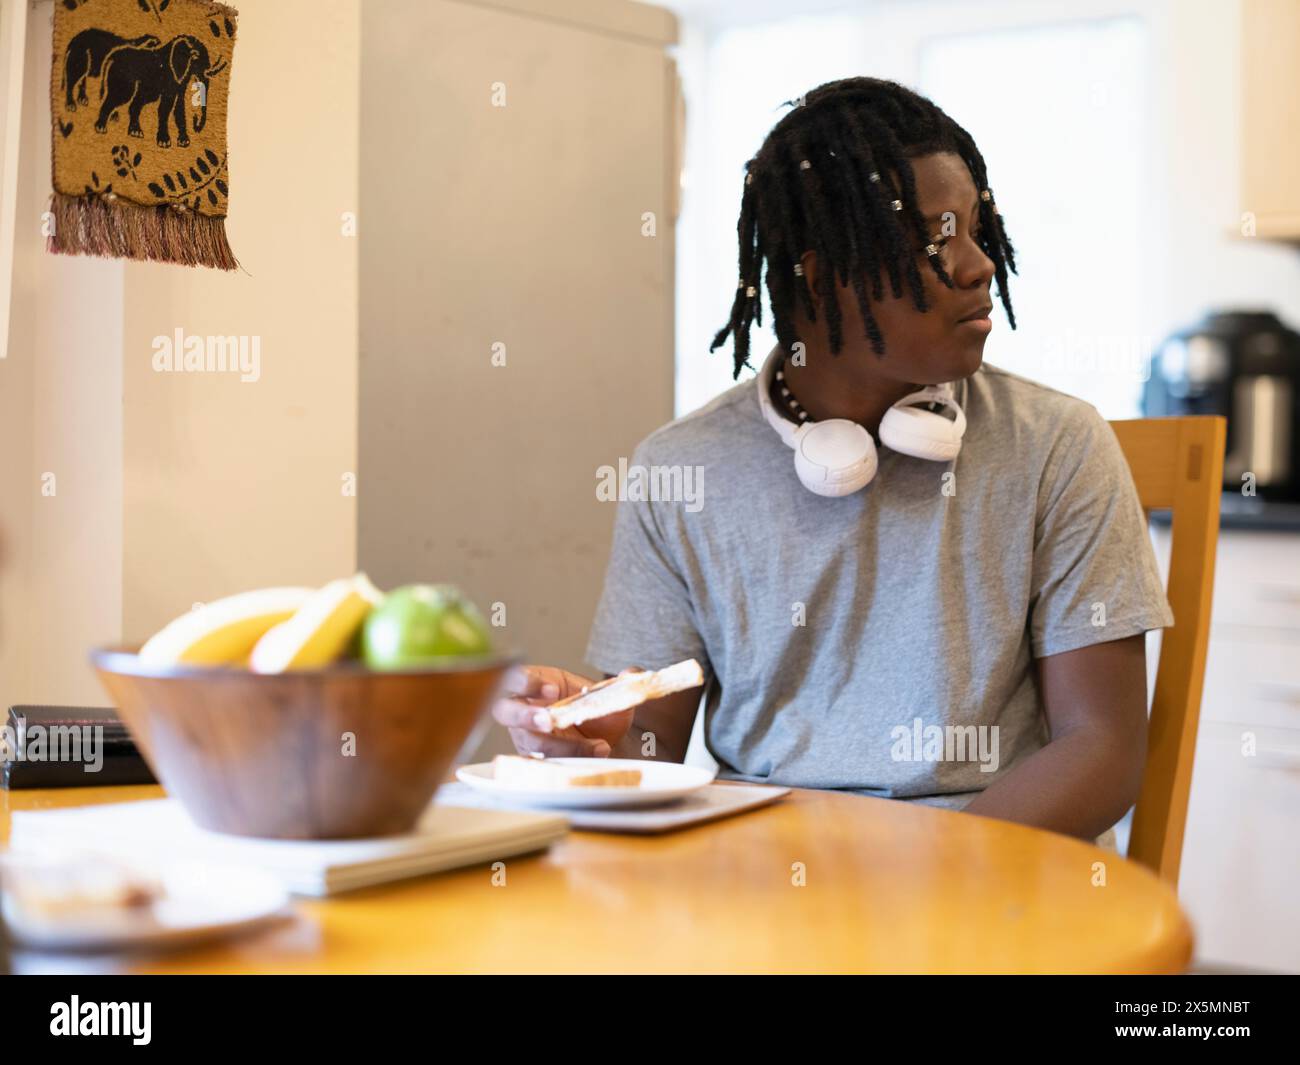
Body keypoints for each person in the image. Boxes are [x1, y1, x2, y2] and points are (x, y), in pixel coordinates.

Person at [494, 77, 1172, 843]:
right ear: (823, 279)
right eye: (935, 240)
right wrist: (591, 741)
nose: (979, 265)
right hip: (759, 875)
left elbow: (1104, 749)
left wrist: (928, 882)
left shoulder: (1057, 444)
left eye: (976, 230)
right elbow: (652, 742)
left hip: (990, 874)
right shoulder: (677, 472)